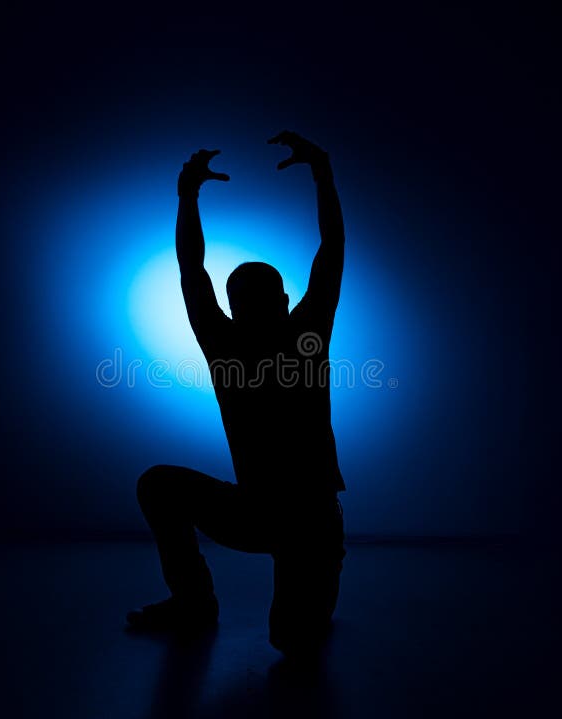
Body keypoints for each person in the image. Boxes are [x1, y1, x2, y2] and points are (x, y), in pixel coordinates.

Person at [127, 131, 347, 656]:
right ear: (234, 305)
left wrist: (323, 175)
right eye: (241, 296)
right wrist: (186, 198)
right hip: (254, 510)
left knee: (292, 641)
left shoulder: (304, 337)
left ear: (283, 299)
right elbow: (191, 269)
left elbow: (331, 252)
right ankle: (194, 601)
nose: (250, 302)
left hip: (311, 521)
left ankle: (310, 586)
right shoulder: (228, 342)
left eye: (259, 294)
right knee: (158, 484)